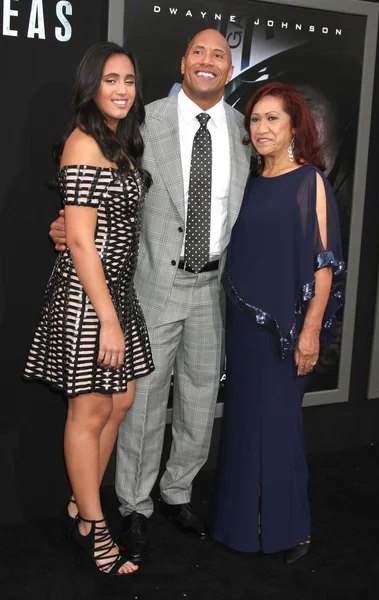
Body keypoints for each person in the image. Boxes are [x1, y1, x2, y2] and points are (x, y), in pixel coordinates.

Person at [49, 29, 252, 561]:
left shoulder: (243, 129)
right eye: (199, 52)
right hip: (150, 284)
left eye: (220, 55)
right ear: (183, 62)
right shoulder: (142, 120)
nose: (208, 61)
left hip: (211, 285)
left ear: (229, 70)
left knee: (199, 398)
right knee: (137, 404)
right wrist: (67, 227)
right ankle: (133, 505)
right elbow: (92, 192)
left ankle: (177, 492)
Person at [23, 41, 154, 575]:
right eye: (110, 80)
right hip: (87, 296)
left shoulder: (119, 143)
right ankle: (94, 530)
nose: (122, 90)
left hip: (116, 290)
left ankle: (81, 507)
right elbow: (79, 241)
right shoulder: (83, 143)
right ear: (91, 86)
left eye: (129, 80)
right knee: (90, 411)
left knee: (119, 402)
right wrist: (107, 319)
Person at [207, 82, 345, 563]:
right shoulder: (247, 180)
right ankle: (239, 525)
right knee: (243, 422)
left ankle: (291, 529)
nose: (261, 127)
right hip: (243, 326)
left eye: (272, 118)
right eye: (255, 119)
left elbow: (323, 266)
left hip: (287, 332)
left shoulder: (310, 182)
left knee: (280, 426)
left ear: (294, 125)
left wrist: (310, 332)